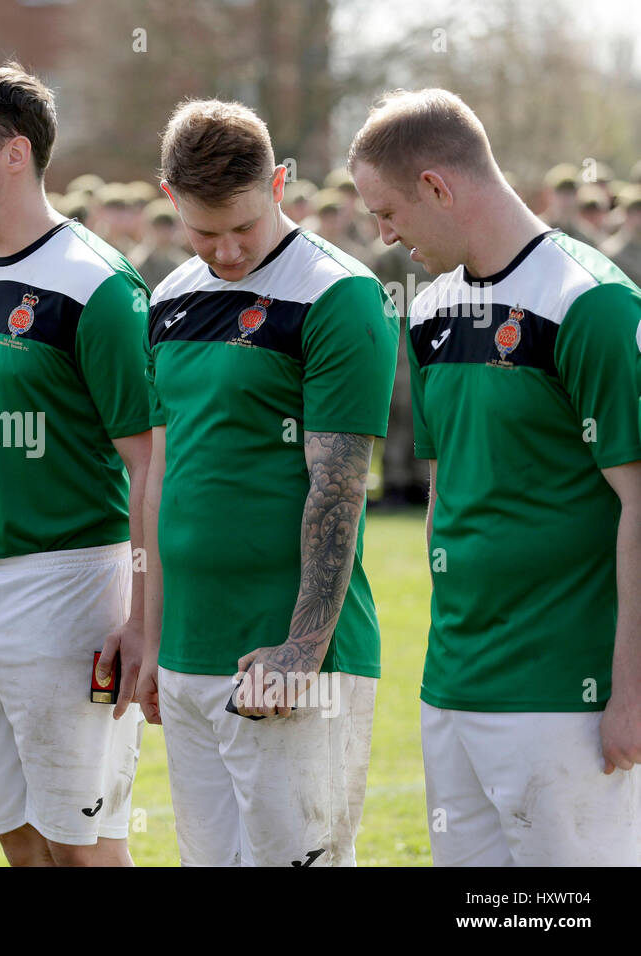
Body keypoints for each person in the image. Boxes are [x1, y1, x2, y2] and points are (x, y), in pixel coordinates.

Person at [350, 87, 641, 865]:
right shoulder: (431, 310)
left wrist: (631, 689)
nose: (382, 235)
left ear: (438, 188)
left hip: (563, 691)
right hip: (453, 683)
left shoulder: (593, 303)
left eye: (388, 213)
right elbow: (449, 486)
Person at [135, 99, 397, 867]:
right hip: (188, 647)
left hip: (289, 655)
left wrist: (301, 649)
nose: (226, 250)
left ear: (279, 182)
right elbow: (158, 475)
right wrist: (152, 638)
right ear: (168, 197)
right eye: (203, 230)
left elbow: (339, 487)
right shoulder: (170, 296)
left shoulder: (336, 293)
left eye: (243, 228)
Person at [0, 63, 152, 867]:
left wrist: (142, 612)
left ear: (10, 156)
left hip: (72, 586)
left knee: (83, 845)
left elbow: (148, 460)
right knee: (19, 841)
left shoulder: (97, 283)